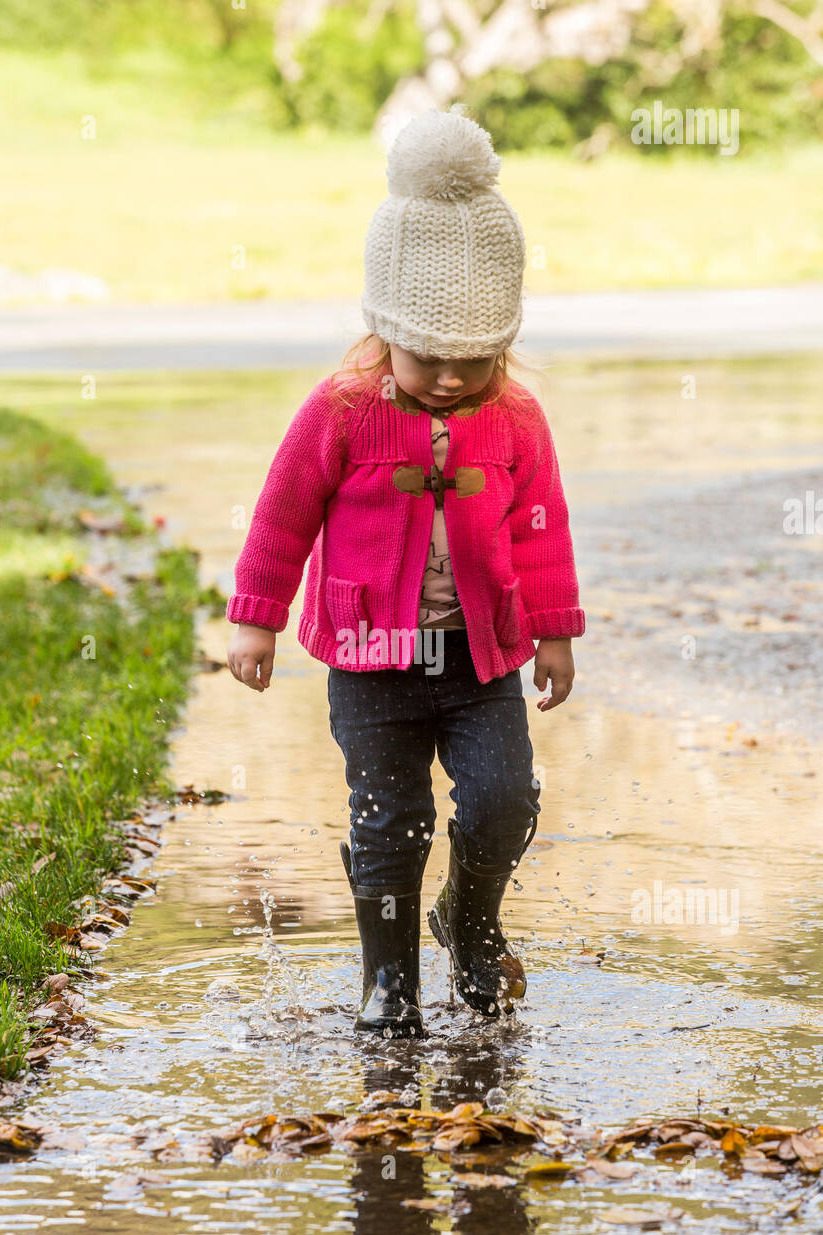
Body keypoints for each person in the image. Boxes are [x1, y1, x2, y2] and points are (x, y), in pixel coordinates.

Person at [227, 105, 584, 1038]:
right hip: (371, 656)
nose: (454, 380)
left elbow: (541, 529)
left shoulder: (515, 422)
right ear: (386, 328)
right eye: (432, 358)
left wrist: (554, 631)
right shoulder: (341, 411)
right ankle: (389, 983)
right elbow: (283, 513)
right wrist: (255, 616)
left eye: (478, 359)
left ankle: (467, 921)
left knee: (505, 800)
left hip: (479, 660)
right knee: (390, 820)